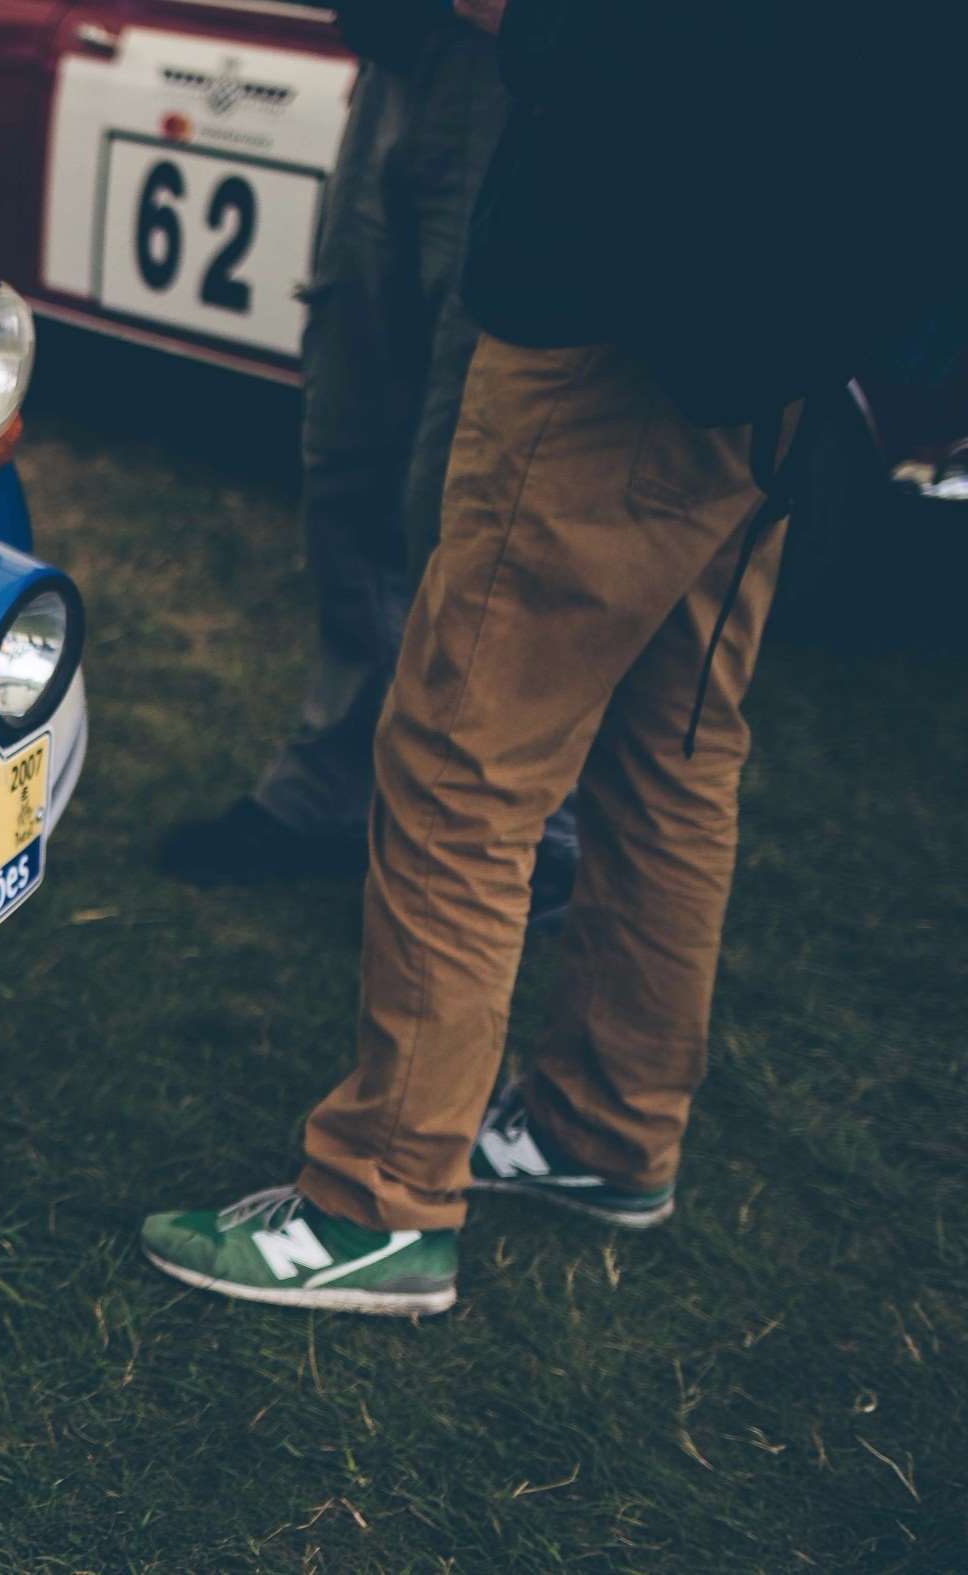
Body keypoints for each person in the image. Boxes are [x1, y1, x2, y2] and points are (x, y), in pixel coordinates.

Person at [136, 0, 956, 1313]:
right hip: (784, 322)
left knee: (465, 748)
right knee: (674, 744)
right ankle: (604, 1125)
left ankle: (381, 1199)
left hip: (630, 298)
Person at [157, 0, 580, 927]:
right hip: (394, 63)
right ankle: (333, 787)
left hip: (528, 90)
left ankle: (526, 835)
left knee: (472, 495)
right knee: (348, 455)